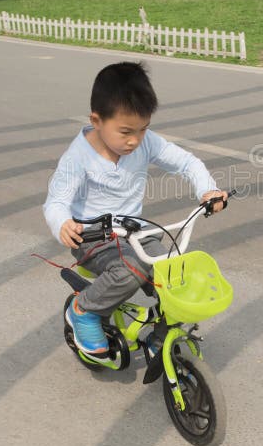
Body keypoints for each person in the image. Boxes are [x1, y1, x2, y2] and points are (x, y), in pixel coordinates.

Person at [43, 61, 226, 361]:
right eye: (126, 131)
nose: (135, 140)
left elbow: (187, 163)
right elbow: (56, 201)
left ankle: (163, 334)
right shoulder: (78, 158)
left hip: (135, 233)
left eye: (143, 129)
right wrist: (63, 223)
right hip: (92, 238)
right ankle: (84, 310)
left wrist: (207, 189)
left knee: (176, 273)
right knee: (132, 269)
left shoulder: (144, 143)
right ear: (97, 120)